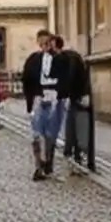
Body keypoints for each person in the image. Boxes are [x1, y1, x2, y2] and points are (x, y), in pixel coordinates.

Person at [22, 29, 68, 180]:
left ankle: (48, 162)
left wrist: (61, 96)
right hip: (38, 97)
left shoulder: (61, 59)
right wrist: (29, 103)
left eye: (47, 43)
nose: (44, 46)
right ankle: (38, 167)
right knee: (36, 134)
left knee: (51, 135)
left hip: (55, 97)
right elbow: (26, 80)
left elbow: (66, 77)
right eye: (41, 43)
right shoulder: (33, 59)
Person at [54, 36, 90, 167]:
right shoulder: (68, 57)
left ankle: (76, 153)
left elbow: (70, 76)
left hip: (78, 95)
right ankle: (73, 151)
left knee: (75, 123)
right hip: (77, 94)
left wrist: (68, 96)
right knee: (73, 122)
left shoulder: (69, 58)